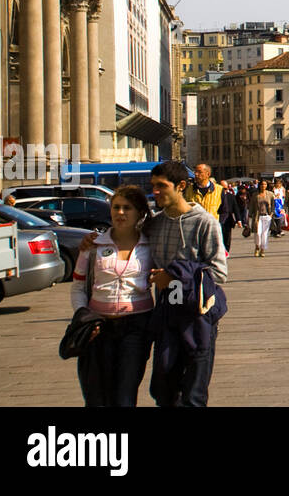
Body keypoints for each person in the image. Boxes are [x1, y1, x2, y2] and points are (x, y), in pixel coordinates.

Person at [143, 160, 228, 407]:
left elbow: (219, 272)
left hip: (198, 316)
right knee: (163, 387)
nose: (155, 191)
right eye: (153, 186)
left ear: (181, 185)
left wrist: (175, 277)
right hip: (167, 313)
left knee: (194, 393)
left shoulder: (204, 222)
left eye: (161, 186)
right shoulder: (155, 224)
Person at [70, 185, 155, 407]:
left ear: (140, 212)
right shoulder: (94, 244)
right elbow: (78, 286)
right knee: (98, 395)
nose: (120, 213)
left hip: (137, 326)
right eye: (116, 207)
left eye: (127, 208)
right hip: (99, 328)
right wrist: (84, 317)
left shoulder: (150, 245)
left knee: (126, 394)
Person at [252, 182, 273, 257]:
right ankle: (257, 247)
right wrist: (250, 215)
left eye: (265, 184)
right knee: (257, 233)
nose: (263, 186)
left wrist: (271, 214)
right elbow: (251, 205)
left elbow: (273, 204)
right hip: (258, 216)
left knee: (264, 234)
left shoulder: (270, 194)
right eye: (262, 184)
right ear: (259, 186)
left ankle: (262, 249)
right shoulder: (255, 195)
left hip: (267, 216)